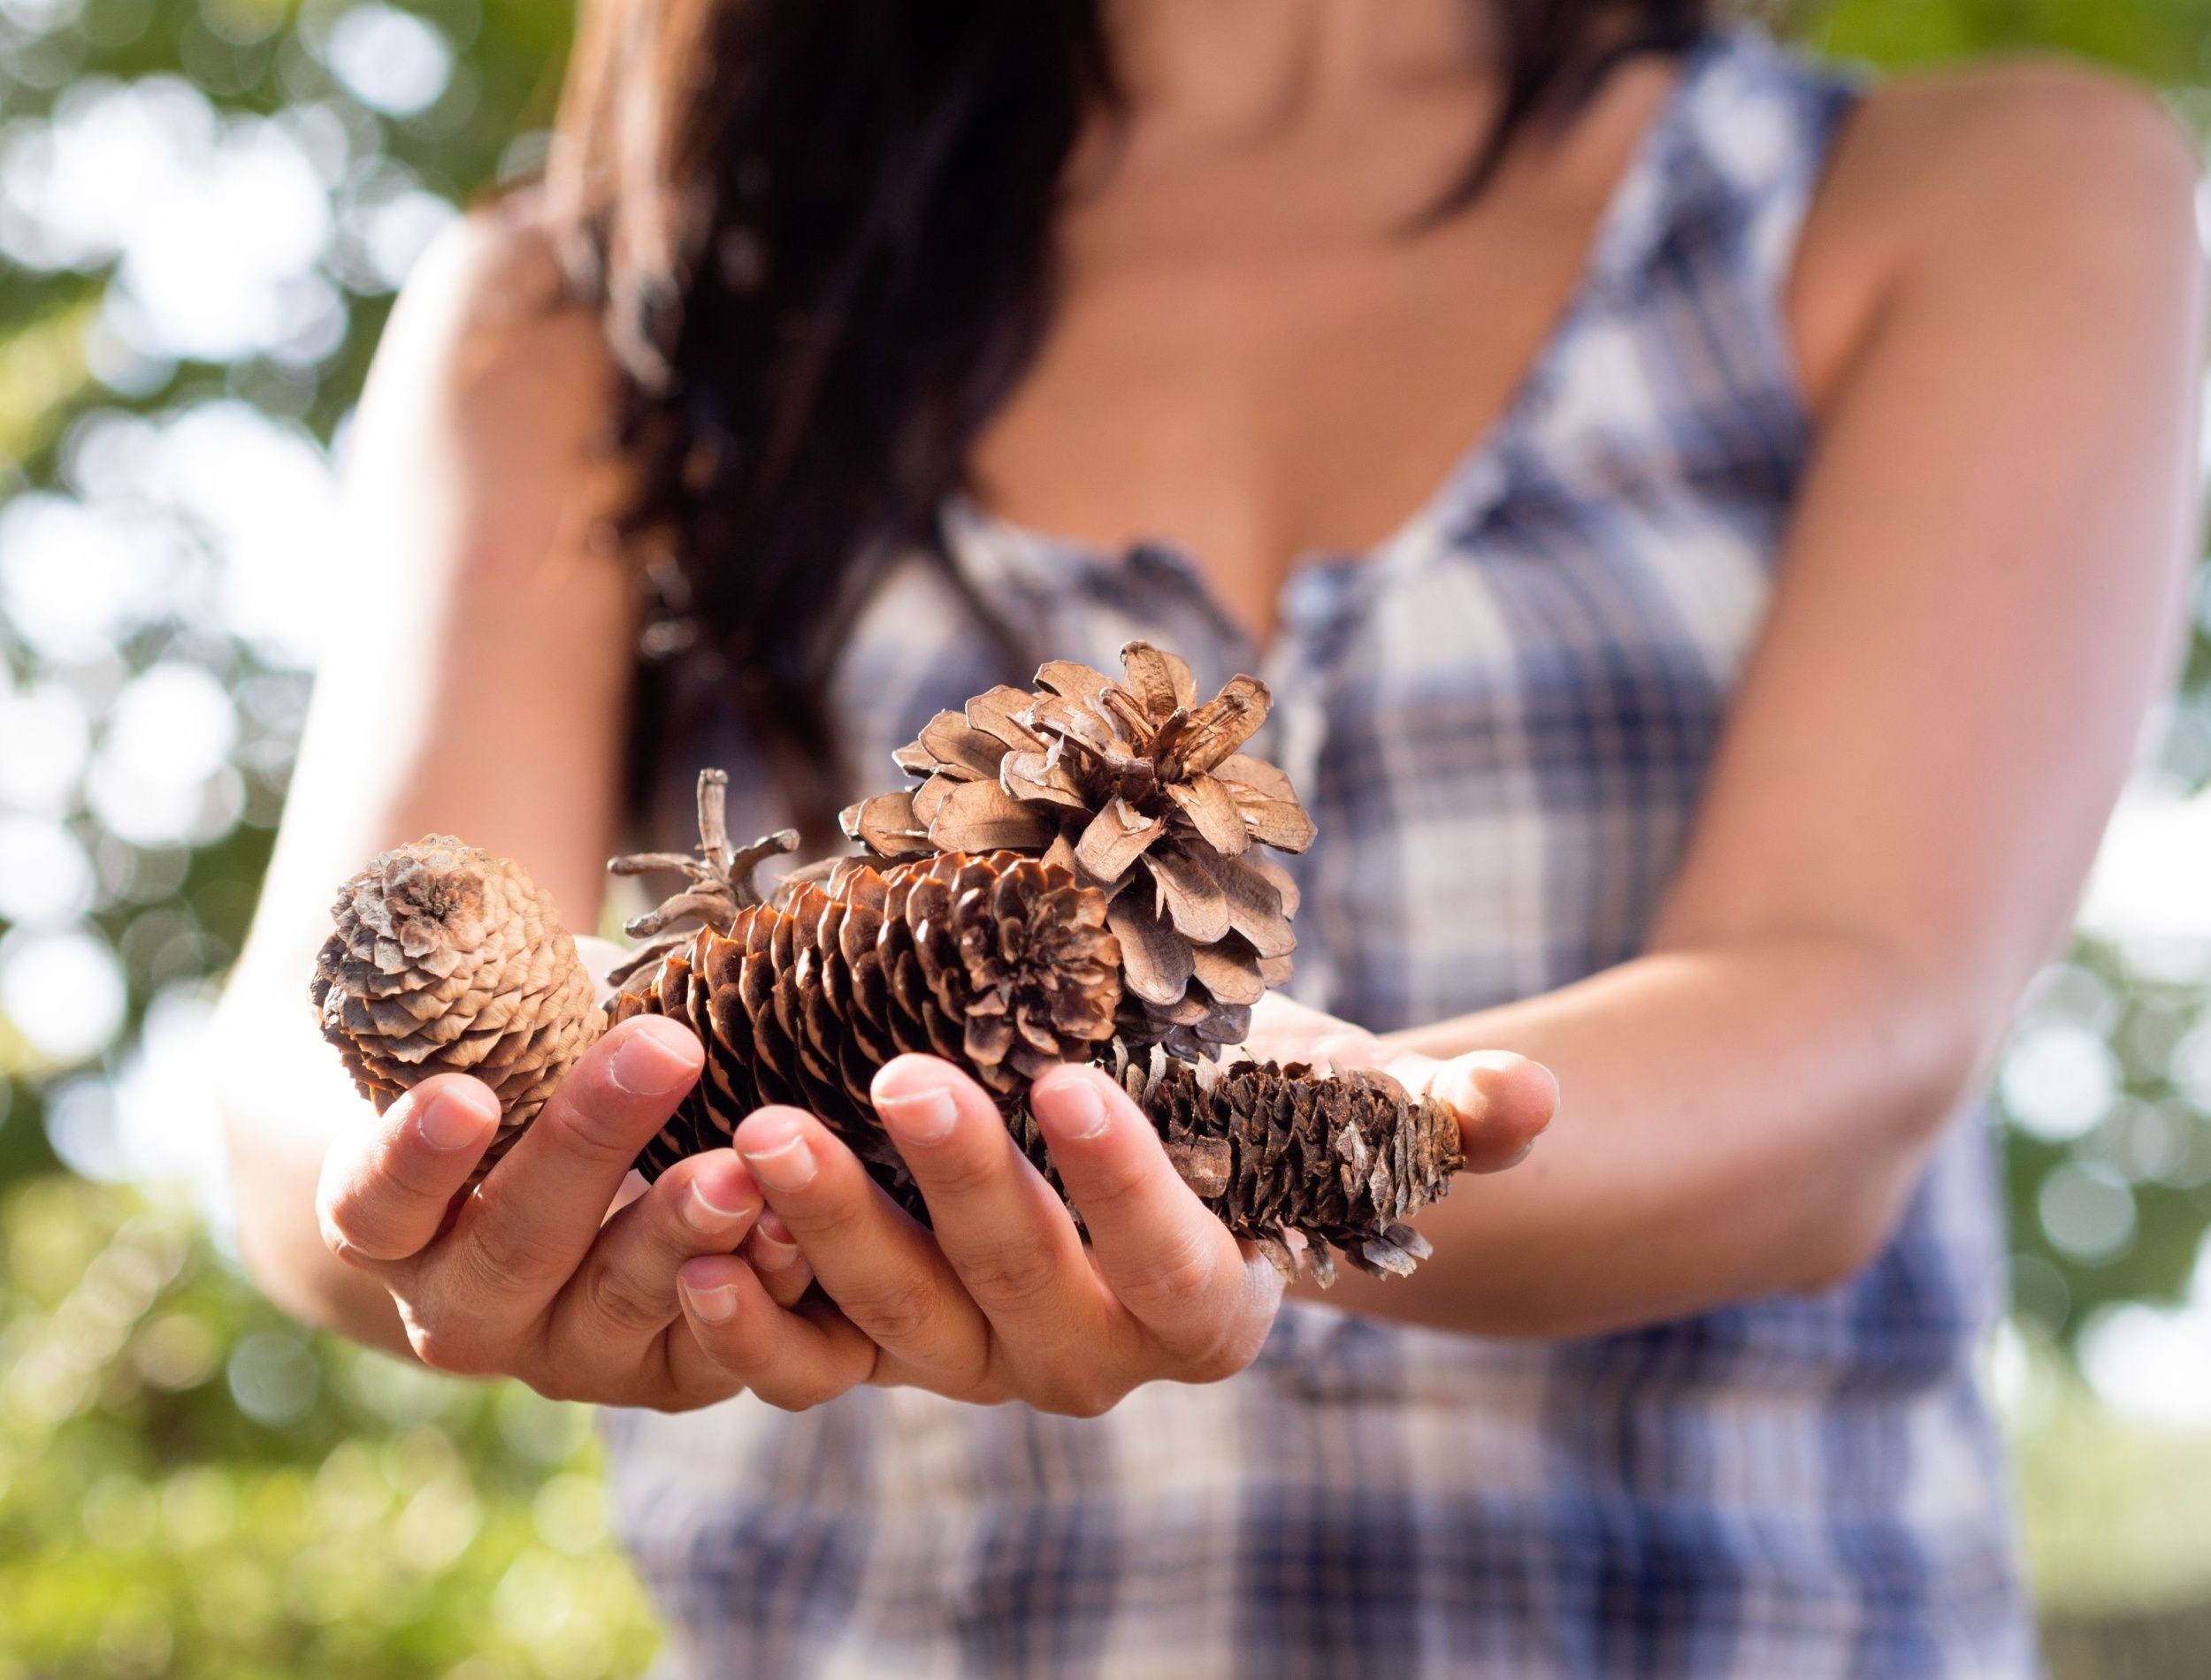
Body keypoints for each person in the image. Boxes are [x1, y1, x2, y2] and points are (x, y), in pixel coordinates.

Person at [216, 0, 2203, 1673]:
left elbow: (1858, 1003)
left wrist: (1291, 1149)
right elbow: (302, 1076)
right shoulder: (593, 301)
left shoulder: (1971, 191)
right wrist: (464, 1172)